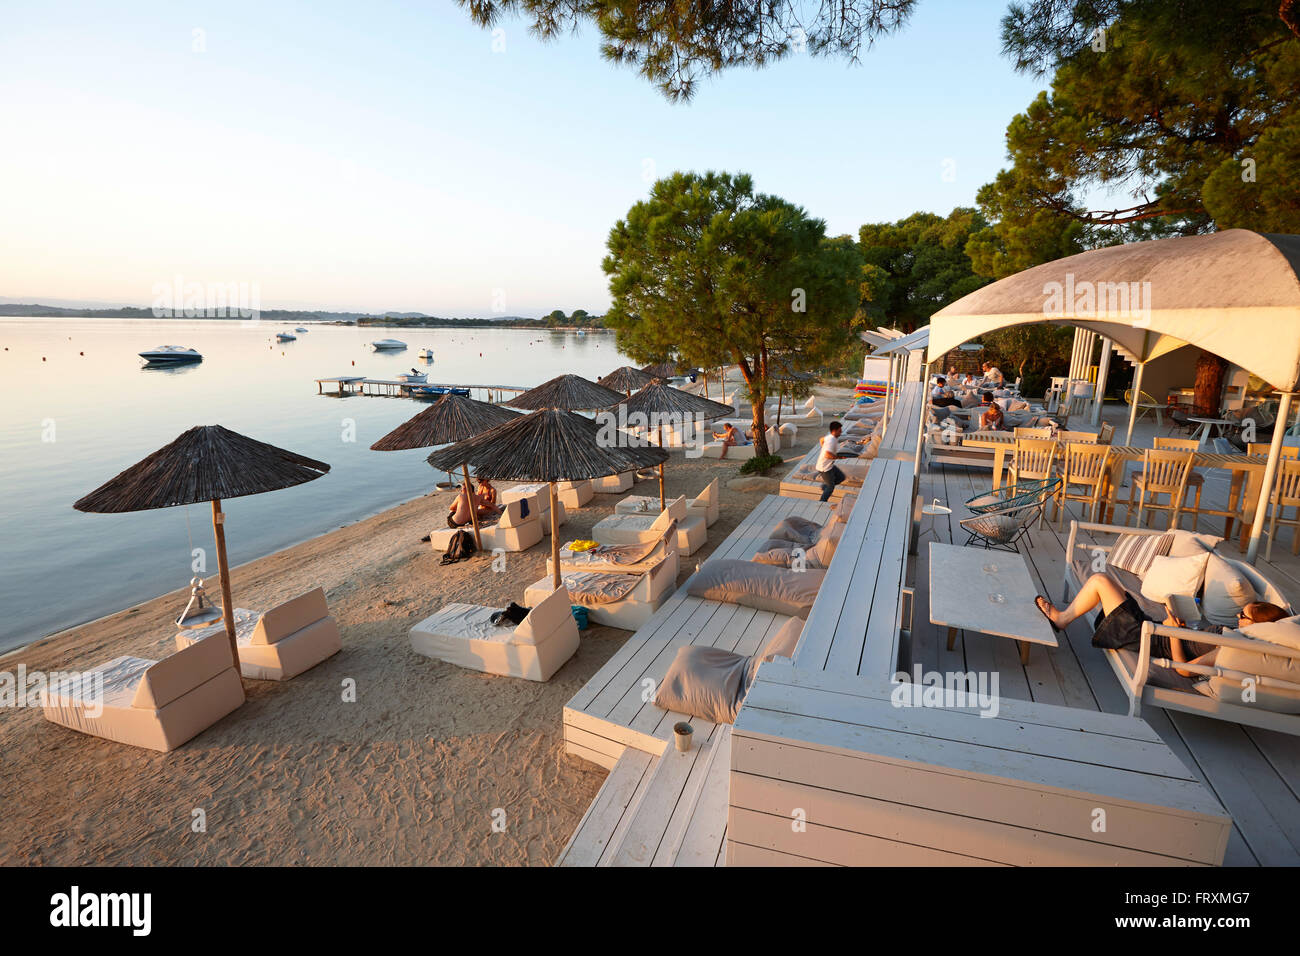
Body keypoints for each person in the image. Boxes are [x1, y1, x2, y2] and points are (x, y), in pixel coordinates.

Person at [1034, 573, 1288, 687]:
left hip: (1148, 640)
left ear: (1258, 626)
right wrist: (1178, 626)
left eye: (1243, 615)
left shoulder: (1233, 646)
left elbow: (1184, 670)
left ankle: (1062, 620)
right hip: (1157, 630)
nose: (1237, 615)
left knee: (1101, 581)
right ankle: (1063, 618)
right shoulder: (1234, 634)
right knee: (1111, 586)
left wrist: (1173, 632)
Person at [816, 421, 850, 502]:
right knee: (831, 487)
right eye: (839, 430)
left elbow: (821, 439)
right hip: (825, 468)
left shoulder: (830, 437)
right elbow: (827, 455)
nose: (841, 432)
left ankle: (824, 487)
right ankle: (822, 502)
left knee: (841, 477)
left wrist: (823, 447)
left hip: (829, 465)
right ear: (834, 431)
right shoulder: (831, 441)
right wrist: (839, 457)